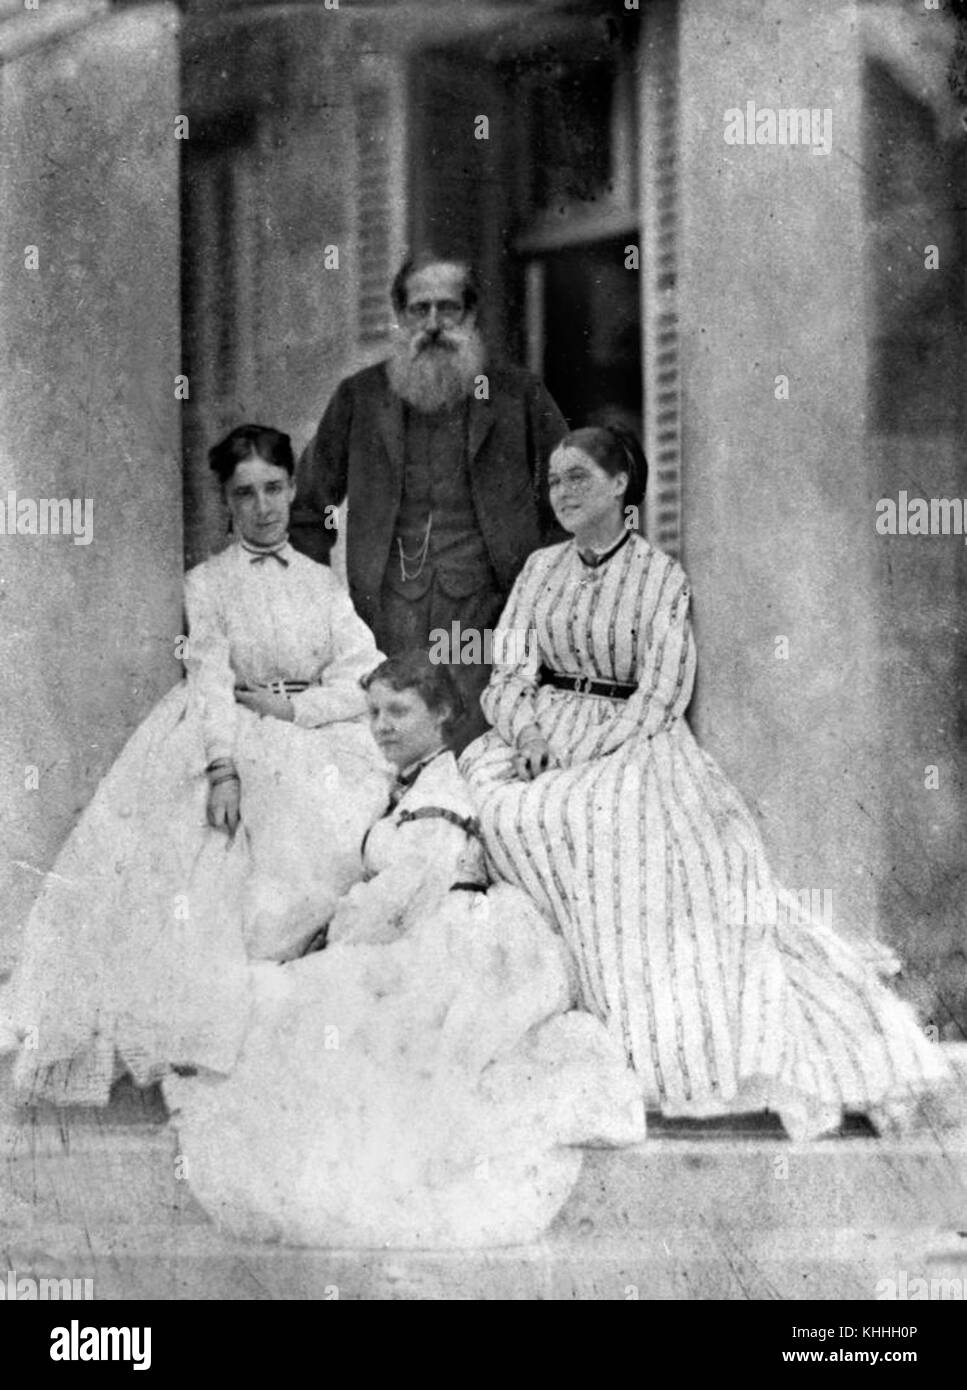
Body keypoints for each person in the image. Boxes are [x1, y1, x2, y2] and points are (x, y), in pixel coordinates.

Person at [459, 424, 953, 1141]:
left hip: (630, 741)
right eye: (555, 480)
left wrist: (585, 750)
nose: (560, 493)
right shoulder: (539, 570)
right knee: (489, 810)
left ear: (619, 485)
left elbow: (660, 693)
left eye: (577, 479)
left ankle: (666, 1051)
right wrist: (531, 735)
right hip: (536, 730)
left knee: (606, 827)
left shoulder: (658, 576)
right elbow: (506, 674)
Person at [165, 653, 644, 1248]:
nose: (382, 726)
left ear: (441, 714)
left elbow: (399, 902)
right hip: (413, 933)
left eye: (398, 711)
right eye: (373, 713)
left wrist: (327, 948)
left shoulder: (440, 794)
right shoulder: (403, 785)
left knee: (309, 1004)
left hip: (442, 942)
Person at [1, 425, 390, 1107]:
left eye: (274, 489)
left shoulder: (324, 585)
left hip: (307, 729)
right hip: (225, 729)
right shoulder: (206, 584)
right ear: (227, 504)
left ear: (293, 490)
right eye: (245, 494)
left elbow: (361, 678)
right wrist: (221, 767)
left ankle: (282, 1024)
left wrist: (294, 710)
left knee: (332, 822)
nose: (263, 507)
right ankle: (193, 1025)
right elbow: (209, 678)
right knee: (193, 856)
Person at [289, 252, 568, 750]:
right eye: (420, 310)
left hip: (489, 618)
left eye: (448, 308)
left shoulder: (518, 397)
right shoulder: (361, 397)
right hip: (387, 619)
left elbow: (568, 502)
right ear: (400, 315)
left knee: (479, 751)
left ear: (472, 315)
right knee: (391, 754)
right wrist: (319, 614)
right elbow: (307, 509)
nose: (434, 324)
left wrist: (541, 603)